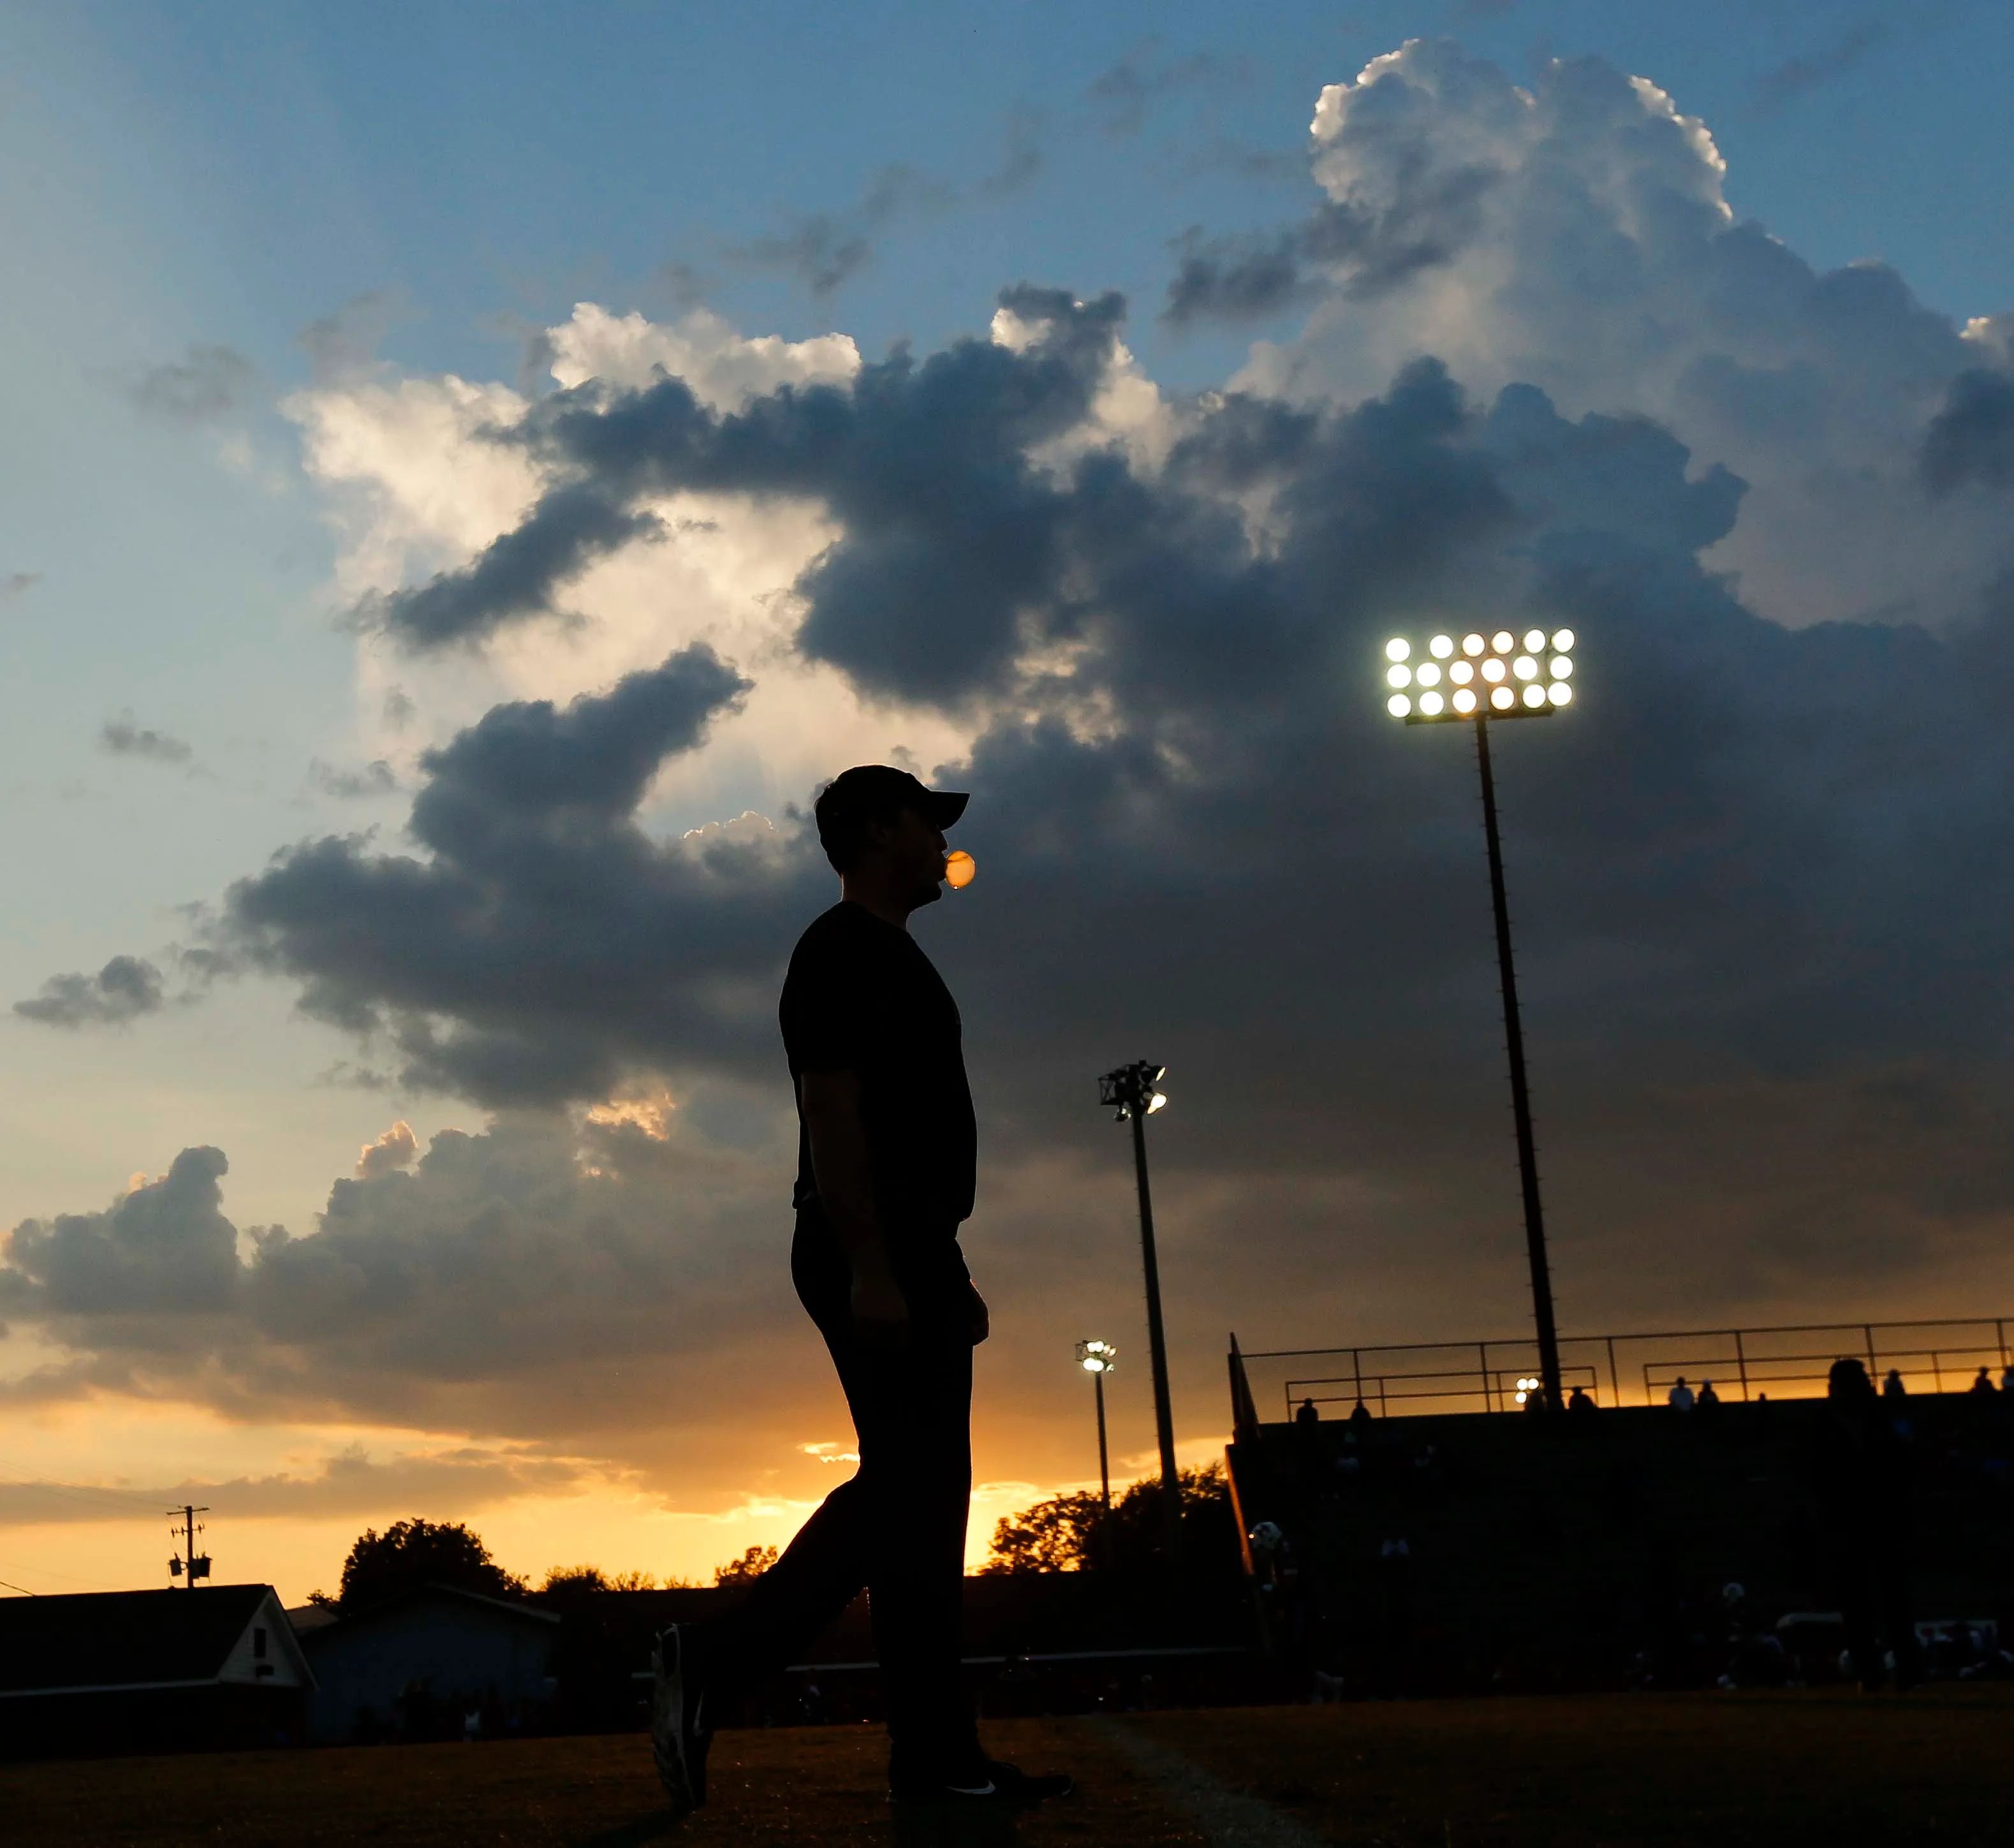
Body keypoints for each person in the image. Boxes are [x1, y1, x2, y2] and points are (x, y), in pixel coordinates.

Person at [651, 766, 1071, 1815]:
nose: (942, 841)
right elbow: (833, 1115)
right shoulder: (840, 950)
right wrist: (877, 1267)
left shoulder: (884, 952)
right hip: (867, 1245)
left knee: (925, 1509)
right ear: (878, 829)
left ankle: (935, 1763)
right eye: (928, 820)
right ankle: (713, 1658)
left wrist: (941, 1266)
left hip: (907, 1245)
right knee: (909, 1490)